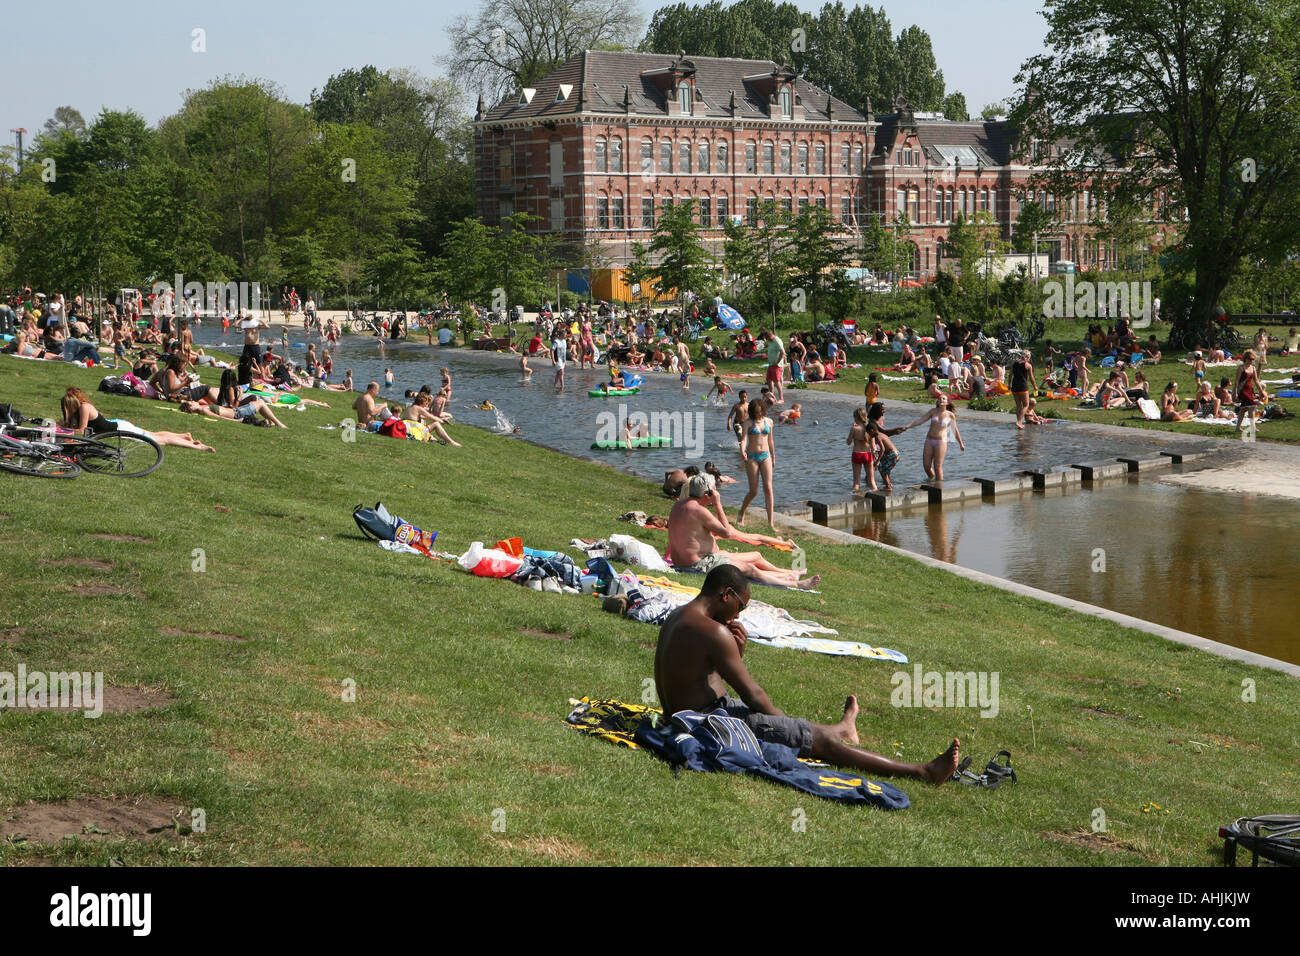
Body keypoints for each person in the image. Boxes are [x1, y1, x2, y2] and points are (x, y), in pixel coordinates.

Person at [654, 564, 959, 782]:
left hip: (685, 715)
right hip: (707, 725)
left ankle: (842, 729)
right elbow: (753, 695)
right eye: (741, 605)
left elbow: (700, 674)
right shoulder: (714, 633)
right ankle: (922, 772)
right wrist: (783, 724)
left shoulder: (678, 616)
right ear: (726, 594)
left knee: (803, 731)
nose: (739, 614)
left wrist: (737, 653)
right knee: (813, 741)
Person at [666, 475, 817, 589]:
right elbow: (726, 532)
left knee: (755, 557)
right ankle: (796, 584)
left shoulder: (679, 505)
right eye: (715, 490)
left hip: (692, 560)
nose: (717, 493)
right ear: (708, 493)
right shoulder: (699, 511)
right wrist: (718, 503)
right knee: (749, 569)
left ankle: (790, 574)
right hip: (697, 565)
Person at [60, 387, 216, 450]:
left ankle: (198, 447)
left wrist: (62, 428)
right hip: (118, 424)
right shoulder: (82, 407)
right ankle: (184, 436)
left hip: (120, 428)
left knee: (158, 440)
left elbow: (81, 430)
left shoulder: (84, 407)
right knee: (153, 434)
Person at [901, 396, 965, 481]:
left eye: (943, 399)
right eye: (939, 399)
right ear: (937, 402)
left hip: (941, 442)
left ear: (947, 402)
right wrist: (907, 426)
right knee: (926, 466)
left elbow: (955, 430)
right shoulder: (932, 411)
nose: (941, 400)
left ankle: (939, 488)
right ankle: (932, 480)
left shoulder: (950, 415)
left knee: (937, 466)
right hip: (929, 440)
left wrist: (961, 444)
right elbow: (920, 421)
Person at [737, 399, 777, 528]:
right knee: (753, 491)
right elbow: (743, 440)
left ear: (764, 410)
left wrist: (773, 456)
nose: (758, 414)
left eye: (760, 412)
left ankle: (770, 523)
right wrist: (742, 452)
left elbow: (770, 441)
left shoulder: (769, 422)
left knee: (768, 488)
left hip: (766, 456)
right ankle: (741, 513)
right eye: (756, 412)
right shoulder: (748, 423)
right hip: (752, 457)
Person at [1233, 350, 1268, 431]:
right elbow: (1237, 381)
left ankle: (1238, 427)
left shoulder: (1253, 368)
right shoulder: (1241, 368)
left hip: (1249, 390)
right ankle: (1253, 427)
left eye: (1253, 359)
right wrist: (1235, 392)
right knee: (1252, 407)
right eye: (1250, 359)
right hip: (1242, 390)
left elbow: (1256, 381)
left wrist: (1261, 391)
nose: (1251, 361)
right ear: (1245, 359)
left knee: (1243, 409)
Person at [847, 407, 875, 492]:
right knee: (871, 481)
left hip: (857, 454)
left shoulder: (854, 428)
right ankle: (878, 496)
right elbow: (873, 446)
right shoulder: (870, 429)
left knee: (856, 483)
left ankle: (854, 499)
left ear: (855, 418)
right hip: (868, 454)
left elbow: (848, 442)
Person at [1009, 350, 1037, 429]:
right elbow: (1031, 378)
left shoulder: (1014, 364)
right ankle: (1019, 422)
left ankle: (1019, 422)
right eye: (1029, 357)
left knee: (1018, 406)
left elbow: (1010, 375)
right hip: (1022, 386)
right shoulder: (1028, 365)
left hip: (1014, 386)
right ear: (1027, 357)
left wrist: (1009, 384)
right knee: (1026, 405)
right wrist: (1035, 386)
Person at [762, 330, 786, 403]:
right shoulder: (772, 342)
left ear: (769, 336)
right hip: (771, 364)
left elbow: (782, 352)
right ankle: (771, 395)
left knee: (776, 381)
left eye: (767, 338)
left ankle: (781, 398)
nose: (767, 340)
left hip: (777, 365)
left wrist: (777, 362)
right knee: (769, 380)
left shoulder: (777, 341)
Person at [551, 327, 568, 391]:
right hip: (557, 359)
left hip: (563, 359)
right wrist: (553, 360)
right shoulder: (556, 342)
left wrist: (565, 361)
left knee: (558, 373)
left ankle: (555, 385)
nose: (566, 335)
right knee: (561, 372)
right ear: (561, 335)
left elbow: (564, 351)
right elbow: (552, 350)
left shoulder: (564, 341)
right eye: (565, 334)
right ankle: (562, 387)